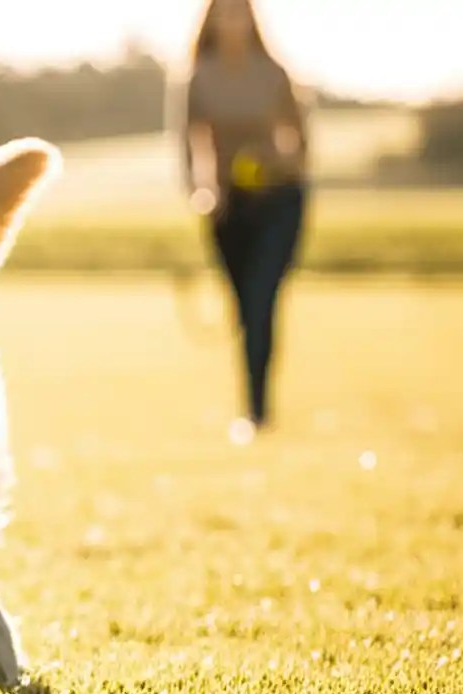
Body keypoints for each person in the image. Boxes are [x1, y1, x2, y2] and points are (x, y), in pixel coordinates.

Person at [178, 0, 310, 434]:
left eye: (239, 12)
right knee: (243, 306)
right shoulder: (200, 78)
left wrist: (280, 168)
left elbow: (300, 140)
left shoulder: (273, 73)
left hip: (278, 202)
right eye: (224, 12)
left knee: (261, 298)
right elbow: (187, 144)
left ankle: (257, 412)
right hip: (228, 206)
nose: (232, 20)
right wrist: (201, 192)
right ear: (212, 20)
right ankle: (253, 404)